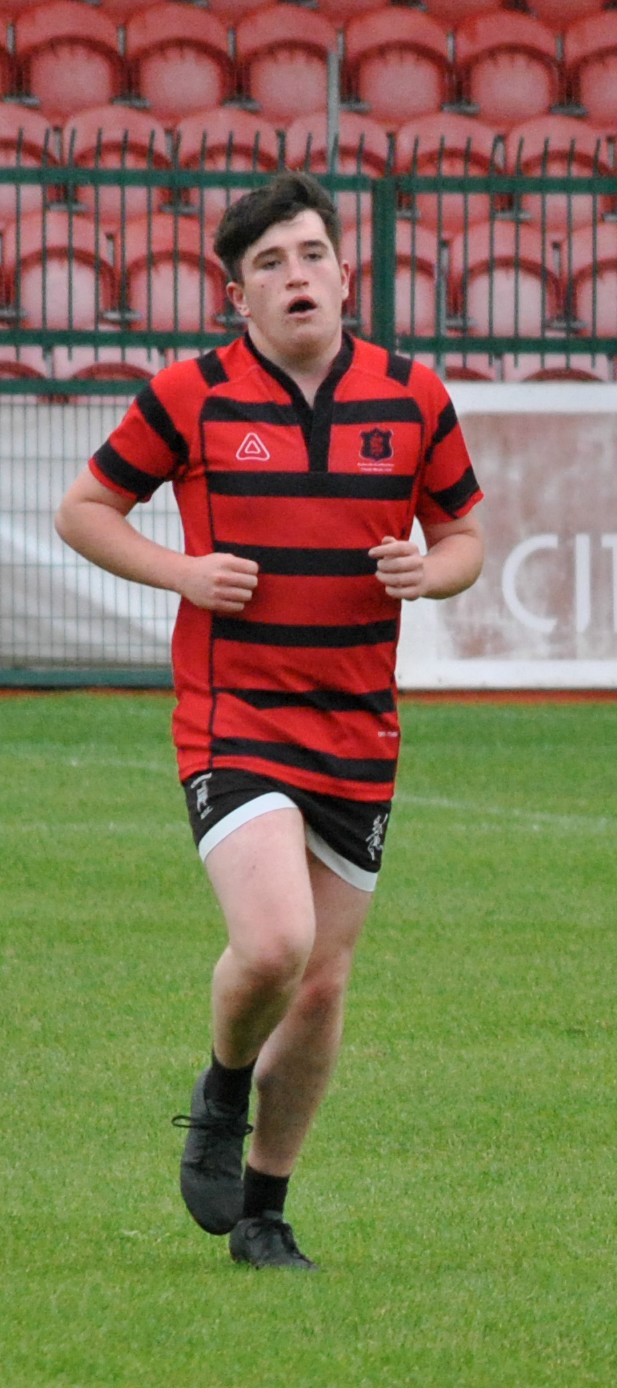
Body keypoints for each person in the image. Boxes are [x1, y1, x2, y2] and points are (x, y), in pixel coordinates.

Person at [55, 171, 484, 1272]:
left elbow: (468, 536)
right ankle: (222, 1086)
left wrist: (426, 572)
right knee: (277, 944)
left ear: (348, 272)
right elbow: (86, 510)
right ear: (236, 298)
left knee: (326, 983)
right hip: (233, 715)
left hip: (359, 727)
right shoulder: (189, 396)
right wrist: (182, 573)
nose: (295, 277)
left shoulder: (414, 397)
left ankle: (264, 1211)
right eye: (268, 266)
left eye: (308, 256)